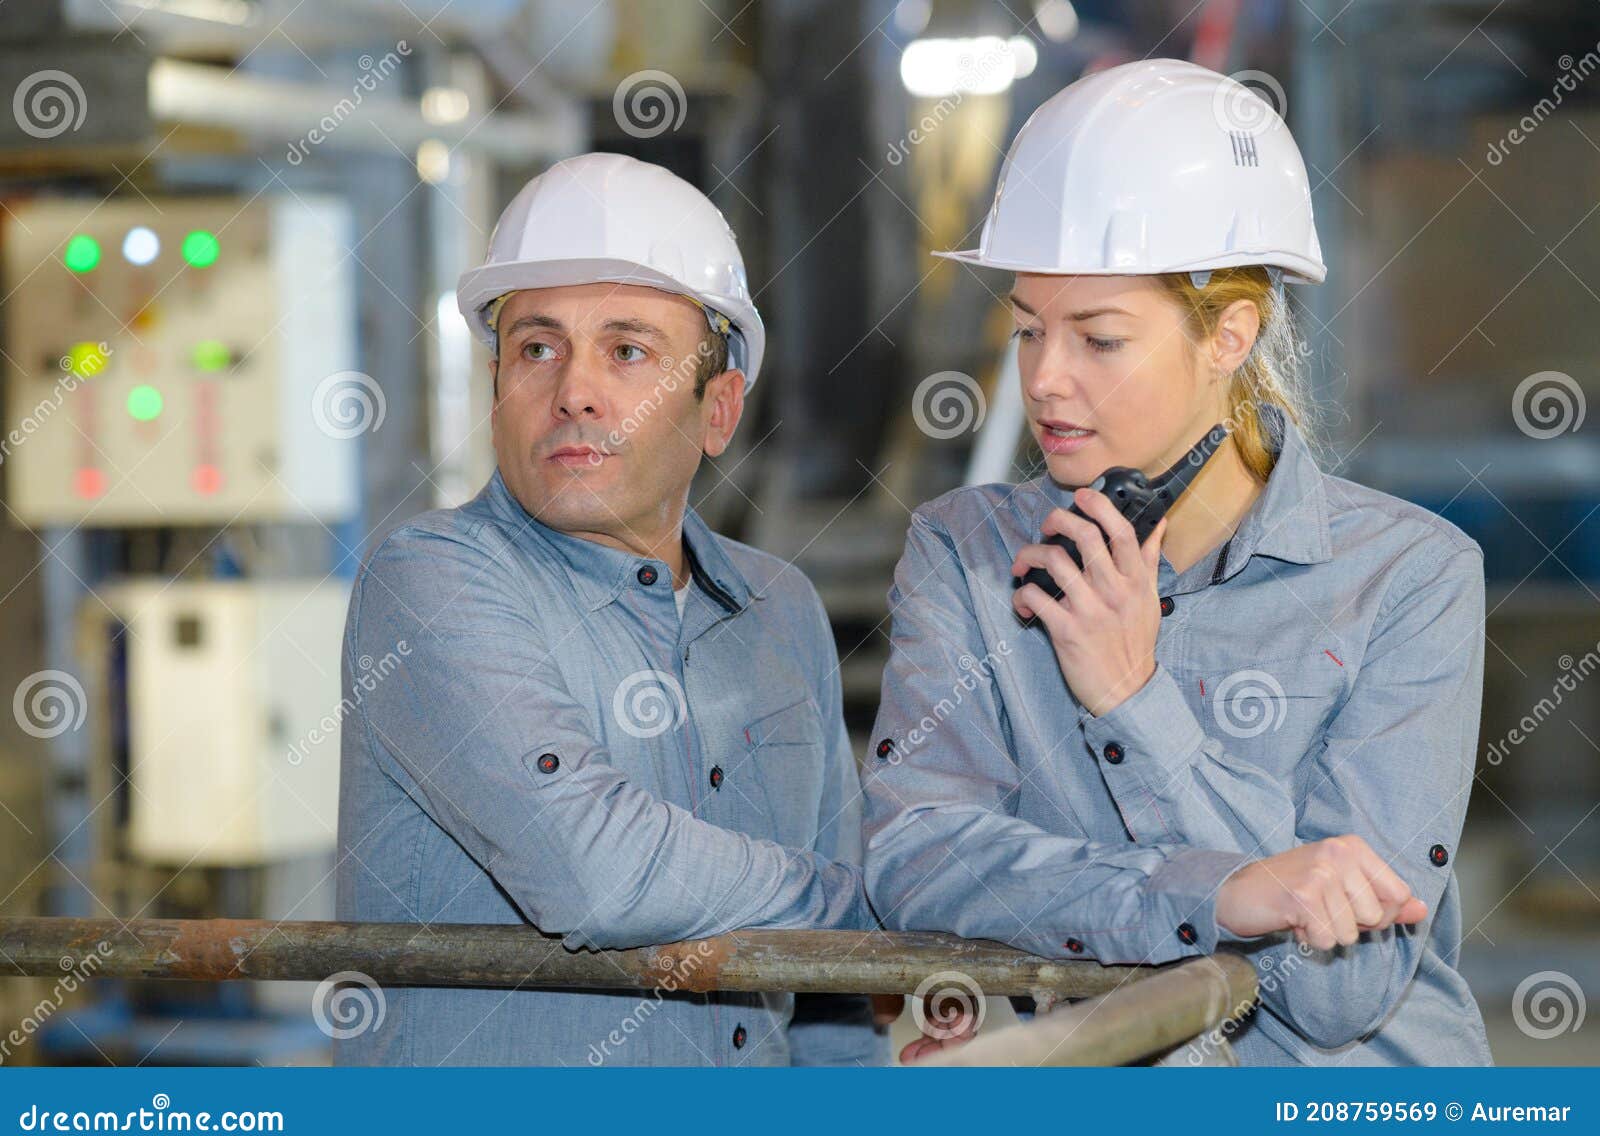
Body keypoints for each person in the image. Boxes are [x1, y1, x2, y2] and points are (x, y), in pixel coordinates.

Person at [863, 60, 1491, 1065]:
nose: (1046, 379)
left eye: (1098, 338)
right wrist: (1229, 888)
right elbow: (917, 857)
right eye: (1027, 330)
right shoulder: (967, 553)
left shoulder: (1407, 578)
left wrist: (1131, 696)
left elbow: (1345, 985)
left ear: (1227, 335)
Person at [336, 153, 886, 1067]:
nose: (574, 390)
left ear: (719, 411)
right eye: (537, 348)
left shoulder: (778, 610)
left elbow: (833, 1003)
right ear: (496, 389)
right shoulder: (430, 581)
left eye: (626, 351)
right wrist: (853, 899)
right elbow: (596, 871)